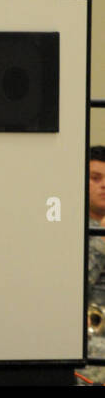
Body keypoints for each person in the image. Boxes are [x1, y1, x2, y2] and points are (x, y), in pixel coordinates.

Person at [84, 146, 105, 384]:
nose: (104, 185)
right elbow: (72, 291)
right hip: (91, 344)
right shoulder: (68, 228)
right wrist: (101, 239)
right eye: (95, 178)